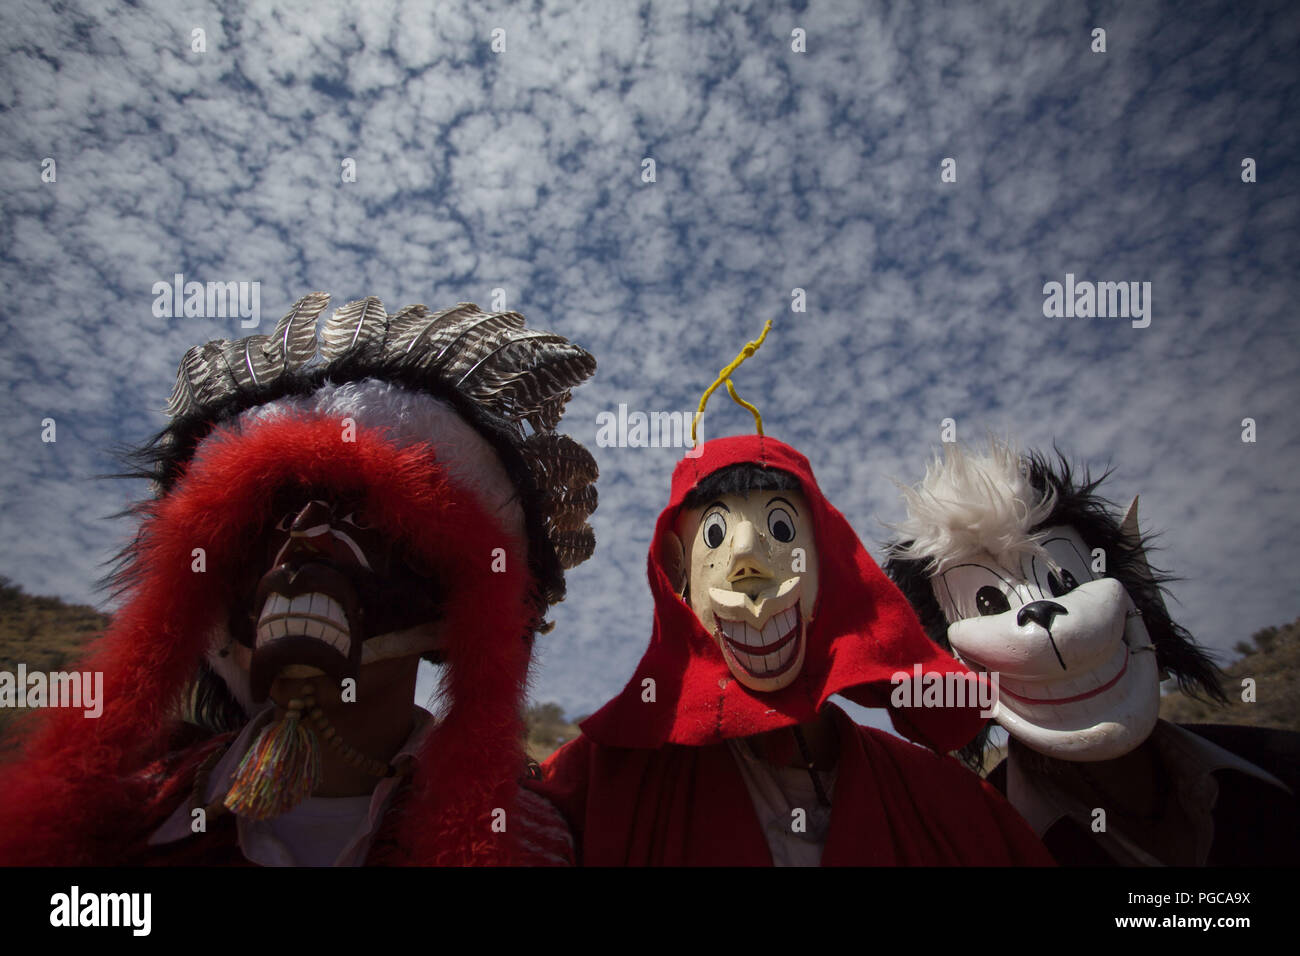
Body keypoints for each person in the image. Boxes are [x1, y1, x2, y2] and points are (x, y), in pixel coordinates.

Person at [0, 293, 597, 866]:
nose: (301, 538)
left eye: (361, 514)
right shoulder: (133, 811)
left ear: (453, 597)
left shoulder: (530, 843)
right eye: (265, 522)